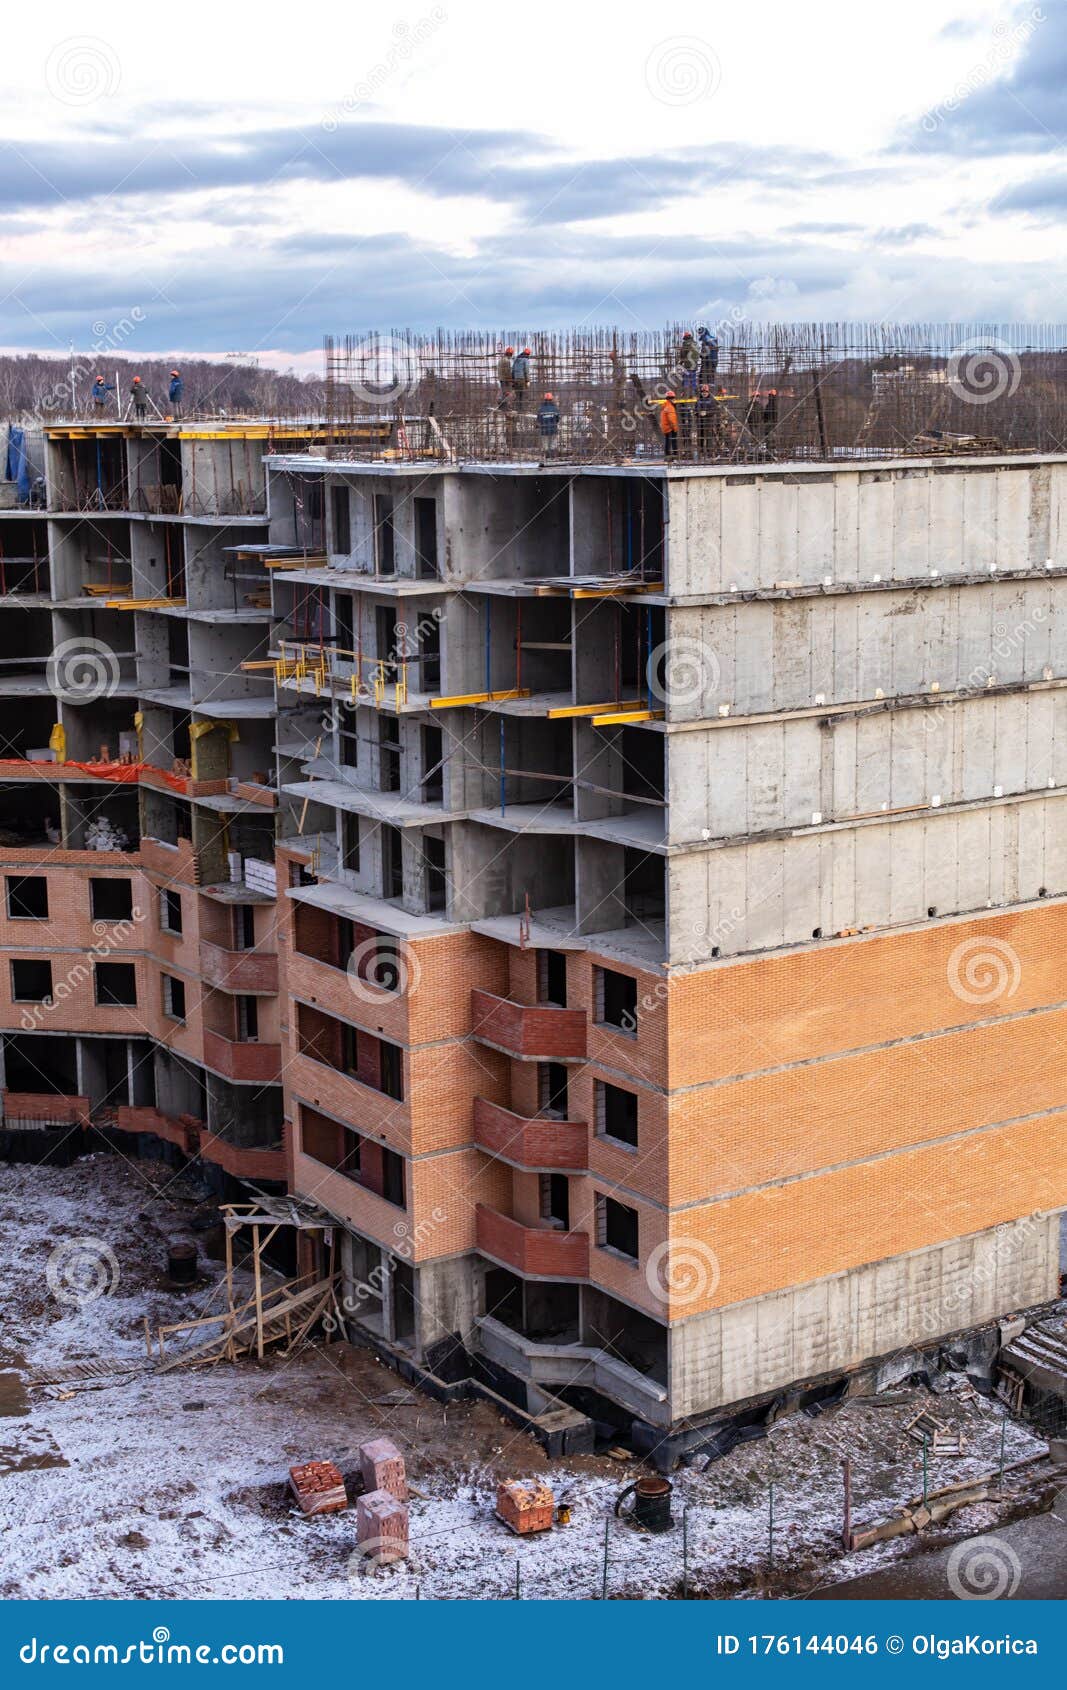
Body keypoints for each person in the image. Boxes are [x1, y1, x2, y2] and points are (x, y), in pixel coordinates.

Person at [696, 383, 718, 455]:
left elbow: (714, 410)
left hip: (709, 421)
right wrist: (699, 413)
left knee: (709, 437)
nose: (704, 393)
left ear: (708, 392)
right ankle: (701, 451)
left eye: (705, 392)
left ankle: (709, 451)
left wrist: (706, 413)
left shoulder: (712, 400)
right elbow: (695, 410)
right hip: (700, 421)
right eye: (703, 392)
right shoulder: (698, 400)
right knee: (700, 437)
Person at [537, 391, 560, 456]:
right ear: (551, 399)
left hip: (544, 429)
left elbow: (539, 419)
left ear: (544, 399)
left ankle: (546, 452)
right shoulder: (555, 408)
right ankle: (552, 452)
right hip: (553, 428)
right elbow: (558, 419)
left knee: (545, 441)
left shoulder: (541, 409)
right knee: (553, 440)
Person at [678, 329, 699, 394]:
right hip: (694, 365)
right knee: (693, 379)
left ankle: (686, 392)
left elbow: (683, 354)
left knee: (686, 379)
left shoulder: (685, 344)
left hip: (687, 365)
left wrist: (681, 363)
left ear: (685, 338)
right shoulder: (695, 343)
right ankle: (695, 392)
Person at [660, 389, 679, 458]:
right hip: (670, 427)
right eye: (673, 398)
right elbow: (672, 419)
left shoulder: (665, 405)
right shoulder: (670, 407)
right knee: (673, 440)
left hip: (665, 426)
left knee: (668, 440)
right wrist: (675, 428)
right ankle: (675, 454)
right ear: (671, 399)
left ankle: (667, 454)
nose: (674, 400)